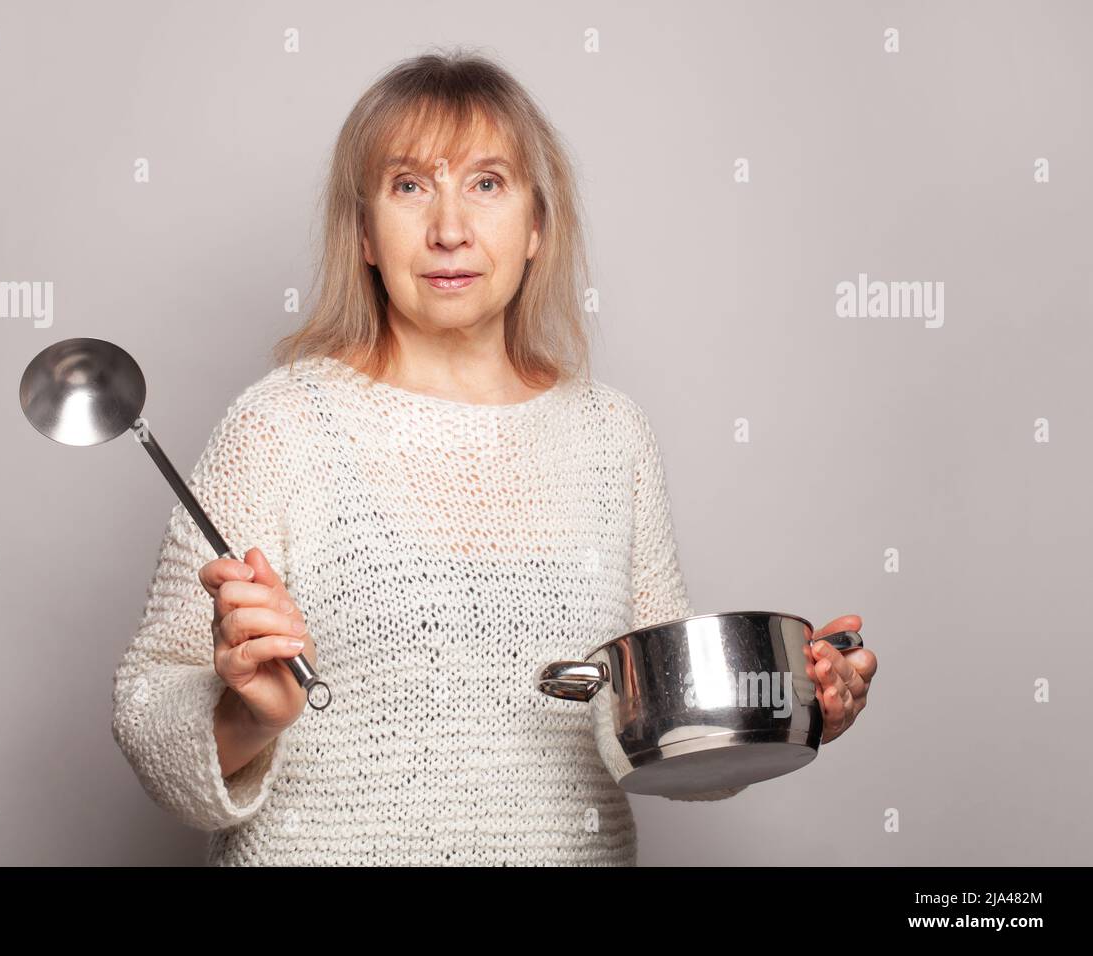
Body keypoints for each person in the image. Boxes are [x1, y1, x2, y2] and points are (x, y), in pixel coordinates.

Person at [111, 48, 878, 867]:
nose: (449, 229)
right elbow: (148, 706)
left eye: (486, 183)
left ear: (537, 224)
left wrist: (788, 700)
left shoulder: (612, 436)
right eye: (410, 186)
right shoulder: (278, 426)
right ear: (365, 232)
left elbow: (661, 725)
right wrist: (246, 718)